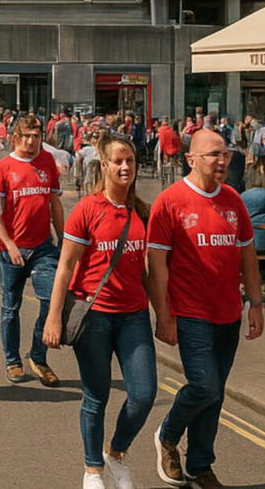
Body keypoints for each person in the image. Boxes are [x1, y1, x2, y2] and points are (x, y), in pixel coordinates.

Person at [147, 128, 264, 489]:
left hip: (228, 311)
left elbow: (247, 254)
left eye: (225, 153)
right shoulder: (170, 201)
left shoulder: (234, 200)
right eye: (213, 154)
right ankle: (167, 436)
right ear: (191, 159)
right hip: (191, 312)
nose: (222, 160)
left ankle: (199, 464)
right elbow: (157, 265)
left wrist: (256, 304)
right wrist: (164, 315)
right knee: (205, 387)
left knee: (215, 394)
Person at [44, 135, 154, 489]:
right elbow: (64, 268)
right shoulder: (87, 210)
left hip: (134, 315)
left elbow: (149, 272)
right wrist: (53, 318)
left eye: (130, 162)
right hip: (94, 316)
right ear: (104, 166)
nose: (125, 168)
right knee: (97, 395)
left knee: (143, 394)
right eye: (118, 162)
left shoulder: (142, 211)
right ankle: (92, 468)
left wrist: (165, 316)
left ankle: (116, 453)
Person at [0, 115, 65, 386]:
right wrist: (10, 245)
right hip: (12, 250)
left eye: (36, 136)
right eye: (26, 136)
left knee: (52, 298)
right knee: (10, 307)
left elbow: (54, 204)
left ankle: (38, 356)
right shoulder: (2, 168)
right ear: (15, 138)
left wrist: (65, 238)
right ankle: (13, 361)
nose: (32, 141)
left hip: (43, 247)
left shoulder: (47, 163)